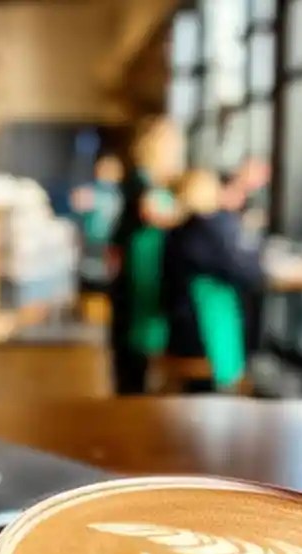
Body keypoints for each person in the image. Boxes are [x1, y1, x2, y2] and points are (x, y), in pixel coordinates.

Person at [162, 170, 268, 391]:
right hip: (204, 338)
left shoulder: (175, 233)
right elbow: (248, 272)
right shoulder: (208, 230)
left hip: (179, 332)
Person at [108, 118, 185, 395]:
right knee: (133, 357)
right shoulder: (140, 181)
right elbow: (153, 213)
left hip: (147, 275)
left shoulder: (152, 183)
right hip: (138, 279)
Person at [70, 154, 124, 290]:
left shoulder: (108, 194)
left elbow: (77, 202)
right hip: (96, 244)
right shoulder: (114, 194)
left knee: (97, 281)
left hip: (102, 244)